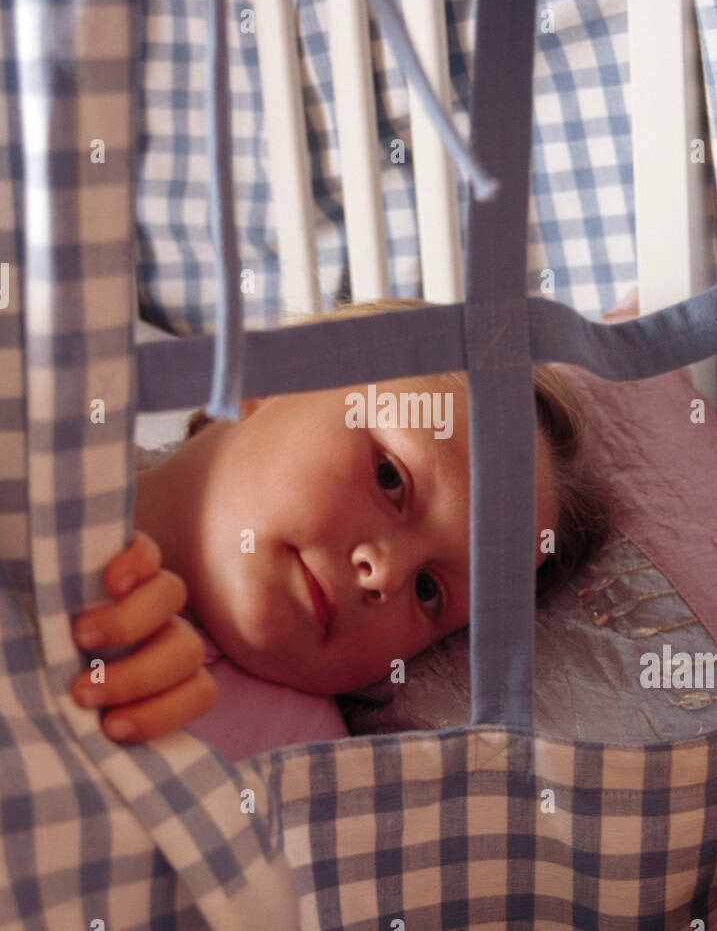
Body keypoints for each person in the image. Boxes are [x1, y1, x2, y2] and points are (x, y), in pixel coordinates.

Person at [69, 298, 615, 746]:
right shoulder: (27, 447)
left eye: (430, 592)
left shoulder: (309, 757)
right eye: (390, 478)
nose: (385, 575)